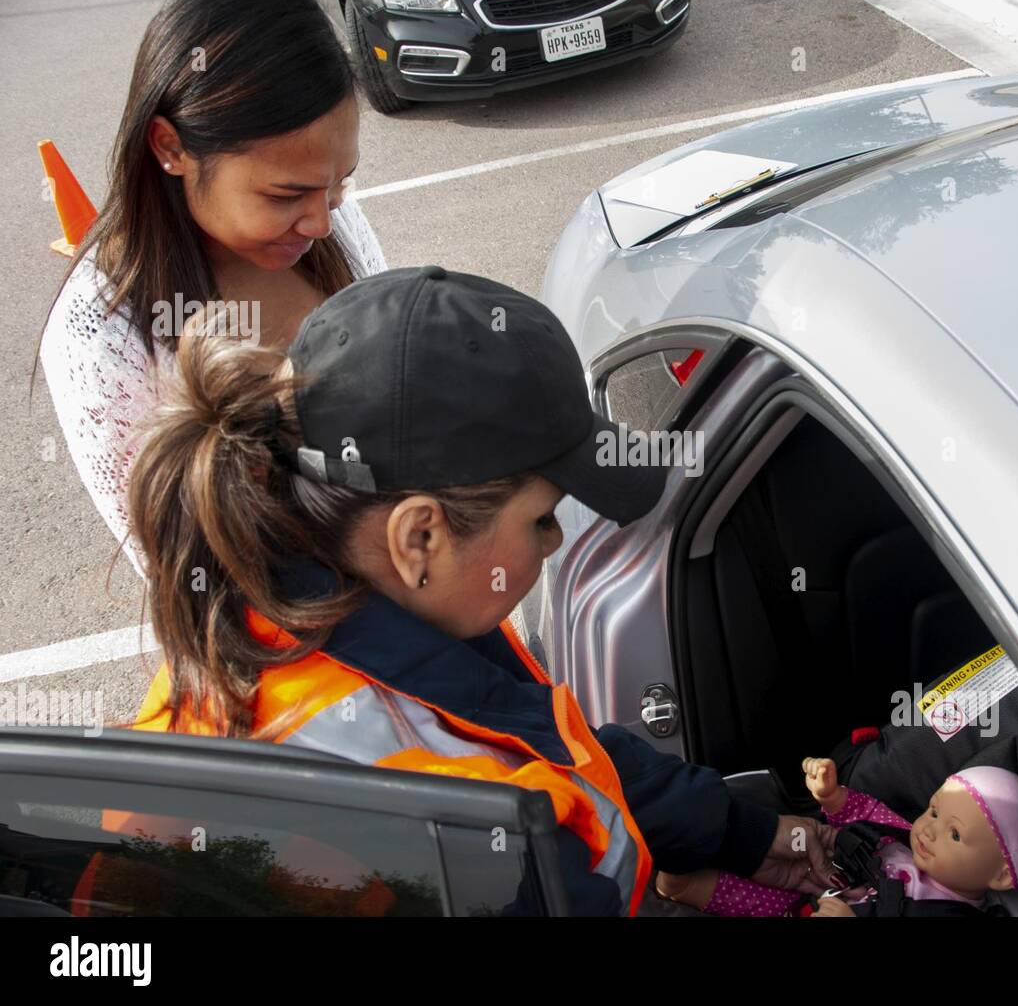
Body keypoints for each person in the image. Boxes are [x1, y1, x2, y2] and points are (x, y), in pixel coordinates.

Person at [112, 265, 837, 916]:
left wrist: (748, 834)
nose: (554, 544)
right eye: (543, 519)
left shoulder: (299, 609)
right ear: (420, 536)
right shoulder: (444, 815)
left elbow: (540, 739)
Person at [36, 0, 386, 577]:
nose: (323, 220)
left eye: (339, 183)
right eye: (285, 194)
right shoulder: (101, 334)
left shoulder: (330, 221)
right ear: (171, 147)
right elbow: (178, 568)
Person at [657, 758, 1018, 917]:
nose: (929, 828)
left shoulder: (952, 914)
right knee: (763, 892)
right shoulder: (903, 840)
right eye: (933, 811)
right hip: (812, 887)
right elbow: (864, 817)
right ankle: (688, 887)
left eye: (954, 833)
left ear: (1001, 875)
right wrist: (832, 796)